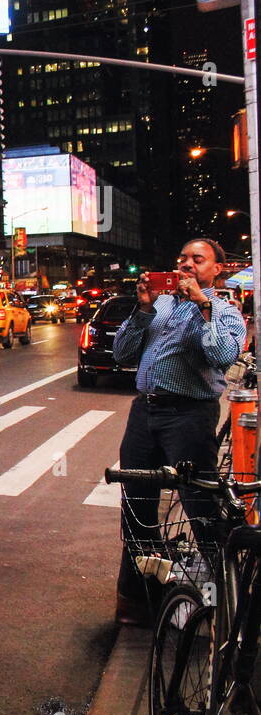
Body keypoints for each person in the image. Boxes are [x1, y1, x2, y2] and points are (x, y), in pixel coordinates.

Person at [112, 237, 247, 625]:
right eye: (183, 257)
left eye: (198, 259)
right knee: (136, 507)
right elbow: (122, 353)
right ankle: (138, 600)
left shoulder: (224, 311)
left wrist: (203, 304)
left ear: (217, 269)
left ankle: (221, 599)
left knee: (200, 505)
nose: (187, 264)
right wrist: (141, 309)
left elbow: (222, 355)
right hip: (145, 412)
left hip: (188, 416)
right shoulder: (161, 305)